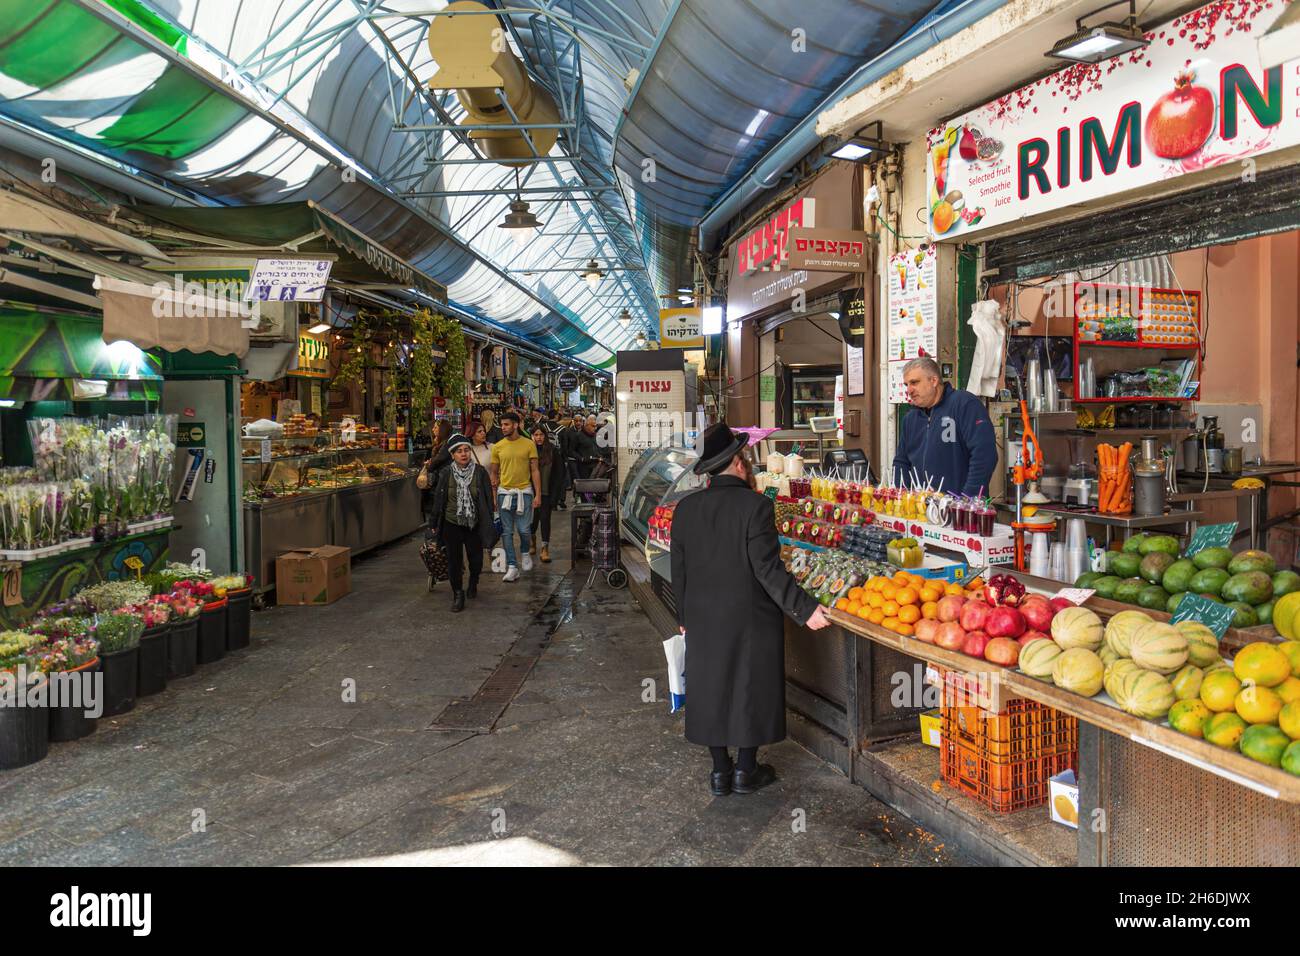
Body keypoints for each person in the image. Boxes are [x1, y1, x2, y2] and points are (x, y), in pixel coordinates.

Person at [670, 423, 831, 796]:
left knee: (709, 685)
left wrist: (683, 617)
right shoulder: (756, 506)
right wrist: (805, 609)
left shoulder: (686, 509)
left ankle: (719, 771)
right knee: (748, 685)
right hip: (749, 616)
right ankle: (746, 769)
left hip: (702, 613)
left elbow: (679, 569)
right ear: (740, 464)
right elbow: (767, 568)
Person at [891, 357, 997, 497]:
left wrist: (967, 500)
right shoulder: (910, 419)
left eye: (914, 382)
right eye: (906, 385)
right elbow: (901, 462)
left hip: (960, 509)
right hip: (921, 510)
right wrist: (902, 496)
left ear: (933, 381)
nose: (909, 390)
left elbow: (984, 454)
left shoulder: (964, 404)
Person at [429, 434, 496, 612]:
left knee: (476, 560)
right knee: (454, 561)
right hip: (452, 523)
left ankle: (473, 582)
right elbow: (439, 499)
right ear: (452, 455)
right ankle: (458, 593)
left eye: (466, 450)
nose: (464, 454)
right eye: (459, 451)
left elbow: (488, 499)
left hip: (473, 523)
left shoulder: (480, 472)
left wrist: (490, 518)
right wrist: (434, 522)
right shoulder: (445, 473)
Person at [489, 410, 541, 582]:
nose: (503, 427)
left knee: (525, 530)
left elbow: (534, 470)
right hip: (504, 493)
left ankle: (525, 551)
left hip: (524, 493)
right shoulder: (498, 447)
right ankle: (512, 566)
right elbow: (494, 474)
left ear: (516, 425)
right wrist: (494, 496)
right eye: (502, 424)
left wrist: (538, 494)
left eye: (506, 424)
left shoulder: (529, 444)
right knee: (507, 532)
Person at [528, 423, 565, 564]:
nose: (538, 438)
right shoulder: (528, 451)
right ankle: (532, 540)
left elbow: (559, 474)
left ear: (545, 436)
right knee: (532, 520)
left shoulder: (552, 451)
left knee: (545, 520)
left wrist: (556, 496)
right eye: (535, 435)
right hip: (530, 493)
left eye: (541, 435)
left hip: (546, 492)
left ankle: (545, 548)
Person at [418, 419, 454, 524]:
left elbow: (437, 461)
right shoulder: (441, 442)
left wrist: (429, 463)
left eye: (435, 427)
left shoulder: (446, 444)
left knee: (439, 509)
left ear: (442, 430)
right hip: (440, 479)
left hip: (442, 480)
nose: (433, 429)